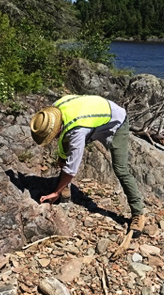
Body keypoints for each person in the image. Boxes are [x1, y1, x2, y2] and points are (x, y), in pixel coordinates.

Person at [30, 94, 148, 231]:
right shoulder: (55, 109)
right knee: (66, 151)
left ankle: (138, 213)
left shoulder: (77, 131)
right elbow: (64, 141)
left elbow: (72, 169)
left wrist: (56, 192)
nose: (54, 139)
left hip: (116, 123)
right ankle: (65, 188)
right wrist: (62, 157)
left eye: (52, 136)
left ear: (57, 128)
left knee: (120, 169)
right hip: (93, 121)